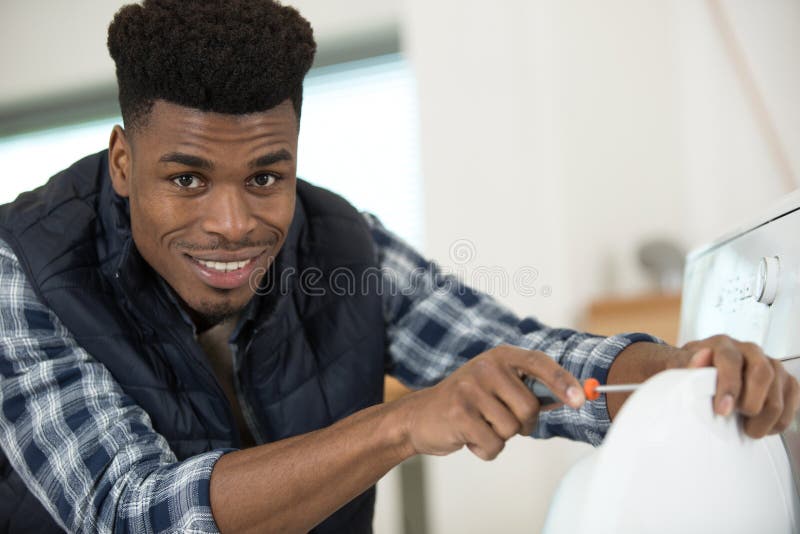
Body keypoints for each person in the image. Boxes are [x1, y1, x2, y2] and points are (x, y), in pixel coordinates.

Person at [0, 1, 796, 532]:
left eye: (267, 177)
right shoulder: (20, 272)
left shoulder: (343, 244)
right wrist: (399, 424)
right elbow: (131, 512)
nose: (234, 224)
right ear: (121, 159)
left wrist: (682, 373)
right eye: (186, 180)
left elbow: (511, 350)